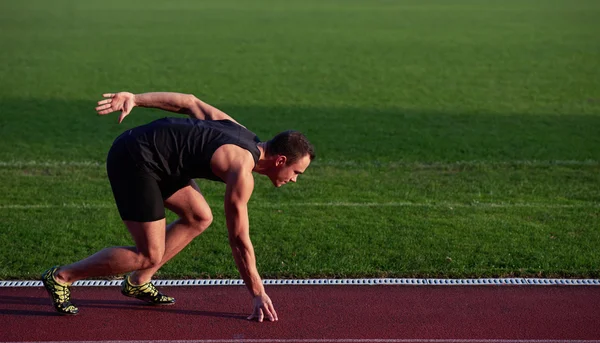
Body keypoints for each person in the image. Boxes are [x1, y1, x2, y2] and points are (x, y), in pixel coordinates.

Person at [41, 91, 315, 322]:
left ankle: (138, 282)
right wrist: (257, 292)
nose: (294, 179)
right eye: (296, 172)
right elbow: (239, 239)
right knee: (149, 253)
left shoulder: (243, 133)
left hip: (160, 159)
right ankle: (63, 276)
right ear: (280, 160)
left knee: (198, 217)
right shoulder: (241, 169)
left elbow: (190, 102)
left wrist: (136, 99)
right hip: (135, 159)